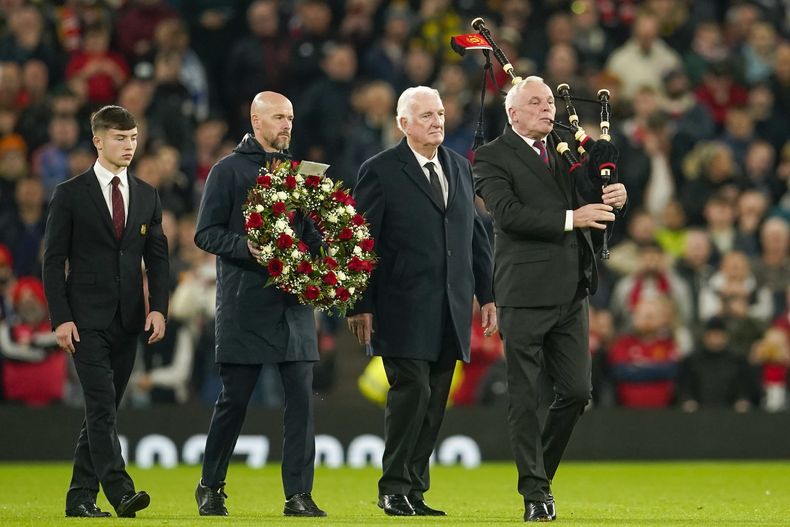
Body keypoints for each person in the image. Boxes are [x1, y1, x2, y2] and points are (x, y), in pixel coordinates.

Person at [473, 76, 628, 522]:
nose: (548, 109)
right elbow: (507, 214)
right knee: (524, 396)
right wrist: (571, 218)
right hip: (523, 292)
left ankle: (538, 473)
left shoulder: (566, 149)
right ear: (512, 113)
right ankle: (535, 492)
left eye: (549, 102)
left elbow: (594, 200)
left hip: (572, 289)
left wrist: (616, 196)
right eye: (536, 103)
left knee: (577, 392)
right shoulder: (491, 156)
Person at [347, 86, 496, 517]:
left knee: (433, 401)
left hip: (451, 307)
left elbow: (475, 235)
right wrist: (360, 303)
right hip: (401, 306)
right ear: (403, 123)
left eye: (440, 114)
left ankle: (413, 489)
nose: (437, 121)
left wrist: (487, 294)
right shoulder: (380, 170)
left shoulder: (459, 167)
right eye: (427, 115)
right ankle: (393, 487)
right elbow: (361, 240)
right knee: (410, 393)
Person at [193, 91, 326, 518]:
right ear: (256, 120)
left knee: (301, 402)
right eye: (279, 117)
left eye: (291, 118)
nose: (287, 125)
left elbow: (311, 235)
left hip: (293, 305)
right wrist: (245, 246)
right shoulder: (228, 170)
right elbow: (205, 233)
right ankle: (210, 486)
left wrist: (329, 253)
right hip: (245, 303)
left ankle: (298, 495)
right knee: (235, 400)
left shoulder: (301, 172)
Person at [42, 105, 169, 518]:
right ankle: (120, 491)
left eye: (132, 137)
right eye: (119, 138)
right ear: (98, 141)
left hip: (129, 320)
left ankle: (80, 497)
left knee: (104, 411)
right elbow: (53, 261)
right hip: (84, 321)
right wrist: (60, 317)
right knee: (101, 407)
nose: (129, 145)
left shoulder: (147, 194)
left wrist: (159, 309)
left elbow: (158, 259)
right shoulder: (70, 194)